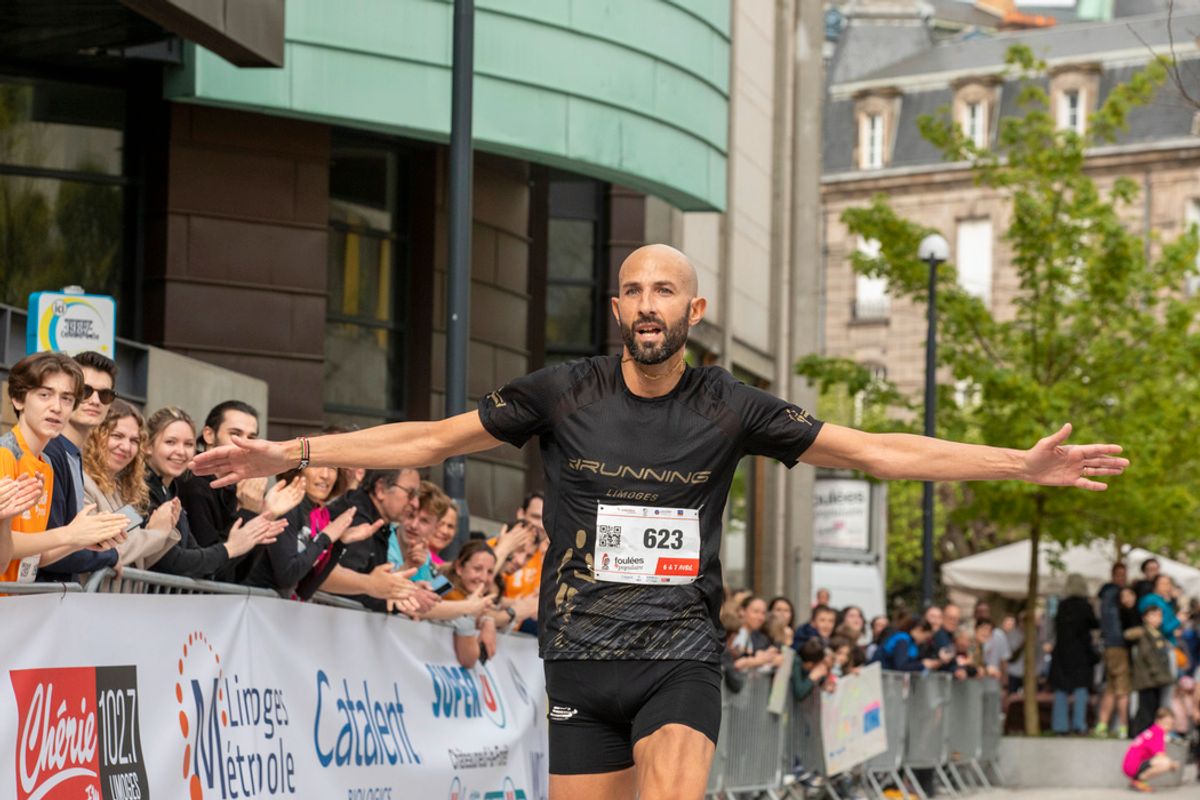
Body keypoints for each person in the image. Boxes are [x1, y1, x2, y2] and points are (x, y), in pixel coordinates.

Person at [193, 243, 1129, 800]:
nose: (648, 307)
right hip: (579, 657)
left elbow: (880, 450)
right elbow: (436, 436)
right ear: (617, 308)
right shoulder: (563, 393)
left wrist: (1020, 464)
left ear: (694, 309)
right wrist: (291, 454)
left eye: (665, 292)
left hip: (677, 653)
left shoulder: (731, 407)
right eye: (633, 293)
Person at [1, 352, 129, 583]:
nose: (57, 407)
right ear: (18, 399)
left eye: (67, 399)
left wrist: (79, 540)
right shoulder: (5, 456)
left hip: (19, 602)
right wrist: (70, 534)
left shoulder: (46, 465)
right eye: (44, 395)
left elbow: (36, 556)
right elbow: (7, 543)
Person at [143, 407, 284, 579]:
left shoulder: (173, 490)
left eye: (188, 444)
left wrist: (259, 520)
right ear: (148, 446)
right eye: (170, 442)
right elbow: (177, 563)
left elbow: (220, 569)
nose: (244, 444)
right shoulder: (190, 485)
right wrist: (233, 543)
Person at [242, 456, 382, 598]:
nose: (325, 475)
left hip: (274, 608)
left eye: (332, 468)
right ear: (299, 469)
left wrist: (339, 543)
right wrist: (325, 538)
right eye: (316, 465)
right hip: (250, 604)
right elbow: (287, 576)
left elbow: (305, 589)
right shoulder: (285, 506)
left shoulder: (318, 514)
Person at [40, 351, 121, 580]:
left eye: (105, 394)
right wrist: (110, 556)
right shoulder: (50, 452)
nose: (95, 401)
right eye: (86, 391)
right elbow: (49, 550)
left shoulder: (71, 455)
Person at [320, 468, 439, 614]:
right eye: (410, 494)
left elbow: (369, 582)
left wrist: (404, 590)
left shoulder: (378, 521)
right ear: (381, 489)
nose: (415, 503)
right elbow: (338, 587)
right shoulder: (357, 518)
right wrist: (401, 596)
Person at [81, 401, 180, 570]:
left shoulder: (123, 492)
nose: (126, 447)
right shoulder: (82, 483)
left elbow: (135, 561)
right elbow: (104, 551)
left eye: (134, 440)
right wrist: (156, 533)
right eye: (117, 436)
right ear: (95, 436)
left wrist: (166, 528)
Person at [175, 401, 262, 581]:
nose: (244, 443)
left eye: (251, 438)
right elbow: (212, 570)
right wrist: (247, 513)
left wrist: (265, 512)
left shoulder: (238, 487)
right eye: (235, 434)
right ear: (208, 434)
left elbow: (243, 573)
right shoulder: (192, 484)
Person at [1049, 573, 1099, 735]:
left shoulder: (1062, 606)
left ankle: (1060, 726)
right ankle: (1079, 724)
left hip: (1062, 653)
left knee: (1061, 690)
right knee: (1081, 689)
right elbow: (1094, 624)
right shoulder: (1085, 606)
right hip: (1080, 654)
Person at [440, 540, 500, 668]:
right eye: (477, 569)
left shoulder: (479, 599)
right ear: (459, 568)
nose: (484, 578)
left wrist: (487, 621)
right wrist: (473, 615)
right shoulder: (440, 586)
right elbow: (468, 660)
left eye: (490, 572)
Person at [1097, 562, 1132, 738]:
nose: (1123, 578)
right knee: (1122, 688)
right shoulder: (1116, 593)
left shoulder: (1104, 594)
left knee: (1110, 687)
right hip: (1118, 644)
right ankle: (1123, 727)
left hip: (1109, 644)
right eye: (1120, 575)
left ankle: (1102, 725)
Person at [1129, 604, 1174, 737]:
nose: (1157, 619)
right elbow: (1148, 656)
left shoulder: (1158, 634)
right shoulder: (1145, 634)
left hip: (1155, 680)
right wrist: (1160, 675)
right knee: (1146, 709)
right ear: (1145, 618)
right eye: (1153, 615)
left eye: (1159, 615)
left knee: (1153, 708)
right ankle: (1140, 734)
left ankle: (1148, 734)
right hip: (1148, 679)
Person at [1123, 707, 1181, 792]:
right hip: (1134, 766)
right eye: (1166, 723)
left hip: (1129, 765)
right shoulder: (1159, 732)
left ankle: (1137, 780)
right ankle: (1139, 780)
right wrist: (1173, 765)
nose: (1168, 727)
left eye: (1171, 724)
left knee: (1164, 762)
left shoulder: (1152, 730)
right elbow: (1160, 756)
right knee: (1166, 763)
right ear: (1158, 721)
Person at [1138, 575, 1182, 646]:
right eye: (1163, 584)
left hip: (1169, 643)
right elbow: (1160, 627)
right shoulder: (1150, 599)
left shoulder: (1165, 601)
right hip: (1156, 644)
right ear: (1155, 584)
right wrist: (1178, 620)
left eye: (1169, 584)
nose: (1167, 587)